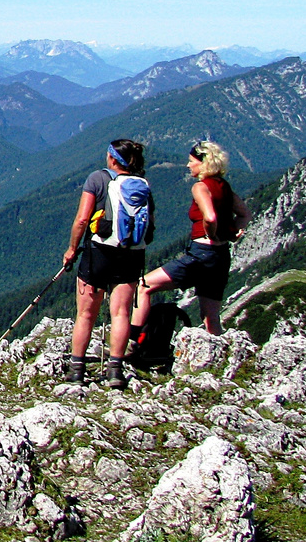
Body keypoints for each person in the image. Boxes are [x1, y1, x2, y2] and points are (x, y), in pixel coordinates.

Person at [132, 141, 250, 336]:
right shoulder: (225, 186)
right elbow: (245, 214)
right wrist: (232, 233)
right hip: (220, 256)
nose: (188, 165)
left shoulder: (201, 187)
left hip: (201, 253)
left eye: (191, 161)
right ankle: (219, 354)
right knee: (211, 317)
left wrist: (210, 233)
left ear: (203, 163)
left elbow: (209, 217)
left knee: (144, 286)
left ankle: (133, 341)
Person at [62, 139, 153, 389]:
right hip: (131, 254)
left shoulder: (97, 179)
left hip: (99, 252)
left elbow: (82, 220)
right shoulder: (141, 185)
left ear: (113, 158)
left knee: (85, 314)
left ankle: (77, 369)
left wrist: (72, 249)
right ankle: (115, 370)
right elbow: (150, 226)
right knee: (121, 313)